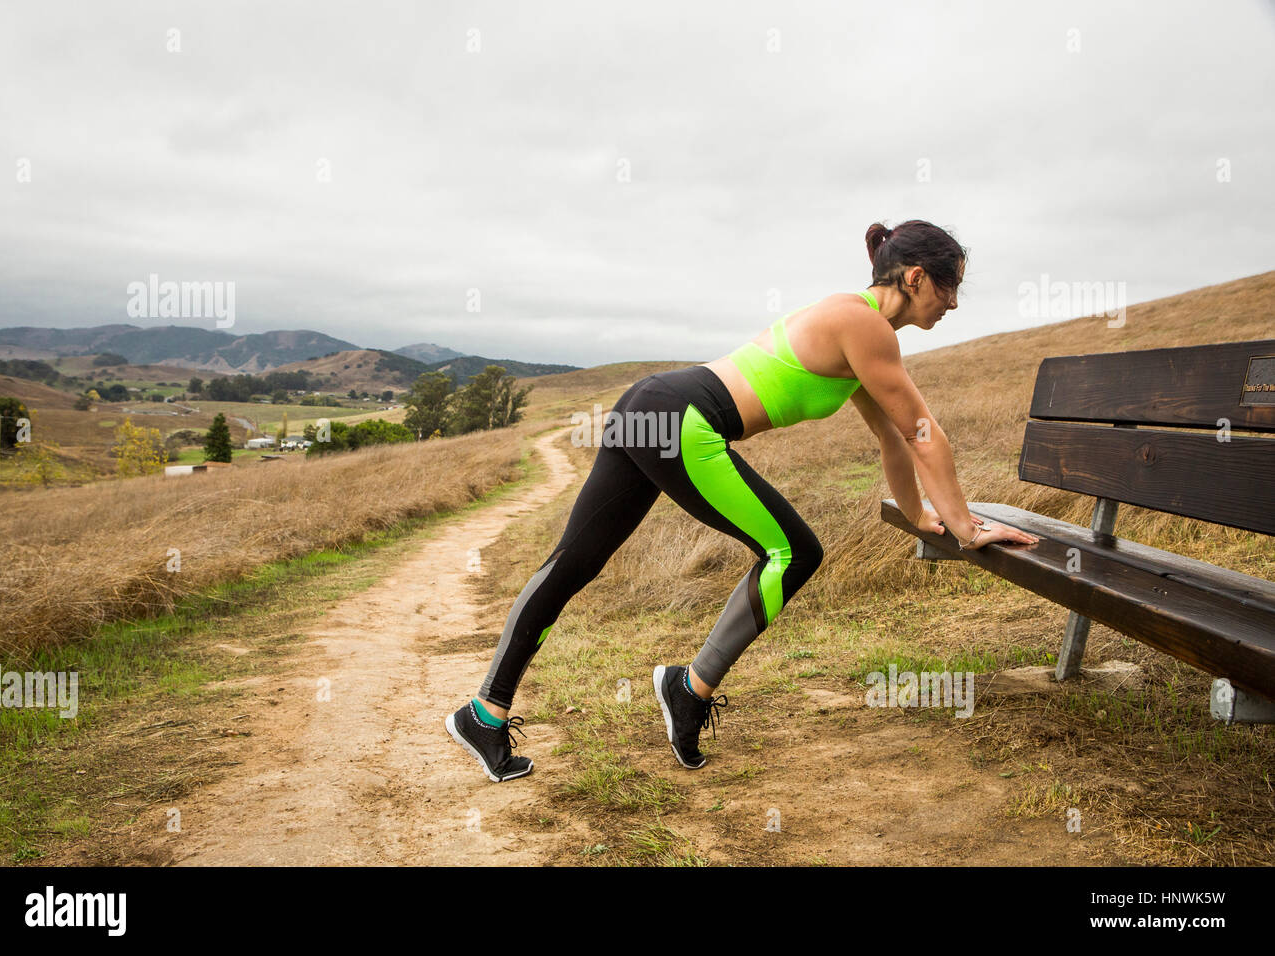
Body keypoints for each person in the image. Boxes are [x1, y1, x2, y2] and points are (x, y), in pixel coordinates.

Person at [445, 219, 1040, 782]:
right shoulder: (866, 326)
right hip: (682, 419)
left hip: (647, 405)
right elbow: (923, 433)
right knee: (794, 551)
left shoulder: (854, 323)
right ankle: (688, 689)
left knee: (574, 562)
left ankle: (485, 714)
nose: (955, 302)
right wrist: (966, 528)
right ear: (915, 278)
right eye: (950, 284)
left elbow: (890, 434)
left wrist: (917, 515)